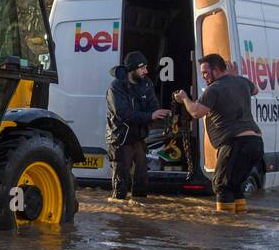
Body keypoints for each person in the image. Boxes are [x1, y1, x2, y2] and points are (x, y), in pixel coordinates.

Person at [173, 52, 262, 213]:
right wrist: (234, 78)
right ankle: (240, 226)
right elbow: (256, 89)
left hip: (235, 144)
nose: (204, 77)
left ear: (217, 70)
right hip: (255, 144)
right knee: (235, 186)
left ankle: (224, 229)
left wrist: (185, 98)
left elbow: (196, 112)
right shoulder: (241, 82)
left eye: (206, 72)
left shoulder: (214, 89)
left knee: (221, 186)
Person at [105, 51, 170, 203]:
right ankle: (119, 217)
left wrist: (158, 115)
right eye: (142, 68)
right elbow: (123, 114)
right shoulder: (116, 87)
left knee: (142, 180)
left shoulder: (146, 83)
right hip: (120, 139)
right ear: (132, 69)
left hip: (138, 138)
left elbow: (153, 106)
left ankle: (140, 217)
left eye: (146, 68)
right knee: (121, 184)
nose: (146, 71)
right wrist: (149, 116)